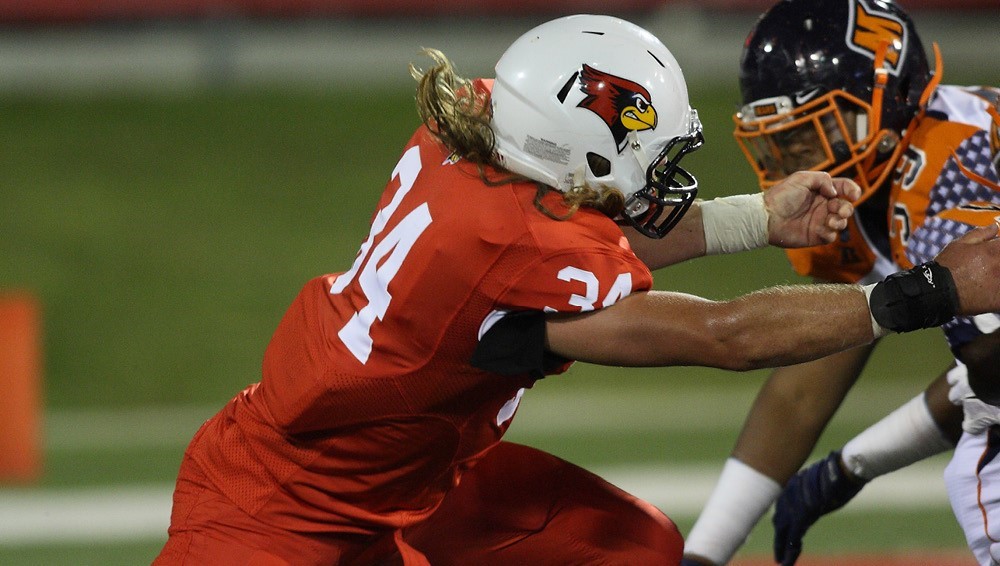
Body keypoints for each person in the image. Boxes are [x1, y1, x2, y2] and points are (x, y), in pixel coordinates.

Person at [152, 14, 1000, 566]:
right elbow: (723, 336)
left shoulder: (485, 132)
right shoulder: (509, 246)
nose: (659, 179)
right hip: (274, 515)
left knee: (635, 548)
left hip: (413, 478)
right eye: (649, 157)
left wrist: (755, 219)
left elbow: (577, 233)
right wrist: (928, 291)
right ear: (580, 148)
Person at [678, 0, 1000, 565]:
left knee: (984, 455)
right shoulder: (874, 183)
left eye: (815, 131)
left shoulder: (948, 175)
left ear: (890, 100)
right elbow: (806, 381)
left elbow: (992, 372)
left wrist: (853, 464)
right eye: (784, 142)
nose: (797, 161)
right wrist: (704, 553)